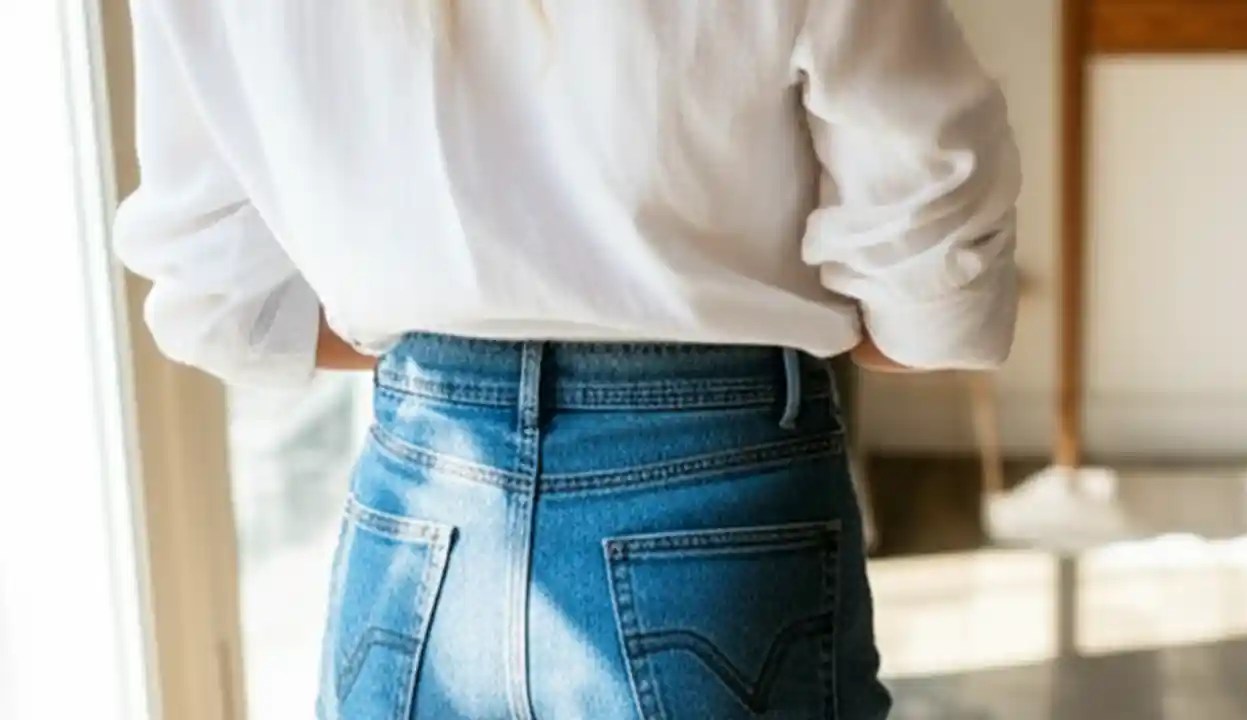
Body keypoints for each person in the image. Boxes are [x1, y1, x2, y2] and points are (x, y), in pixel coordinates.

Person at [116, 1, 1020, 718]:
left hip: (418, 506)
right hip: (719, 496)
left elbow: (224, 294)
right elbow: (928, 262)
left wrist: (469, 347)